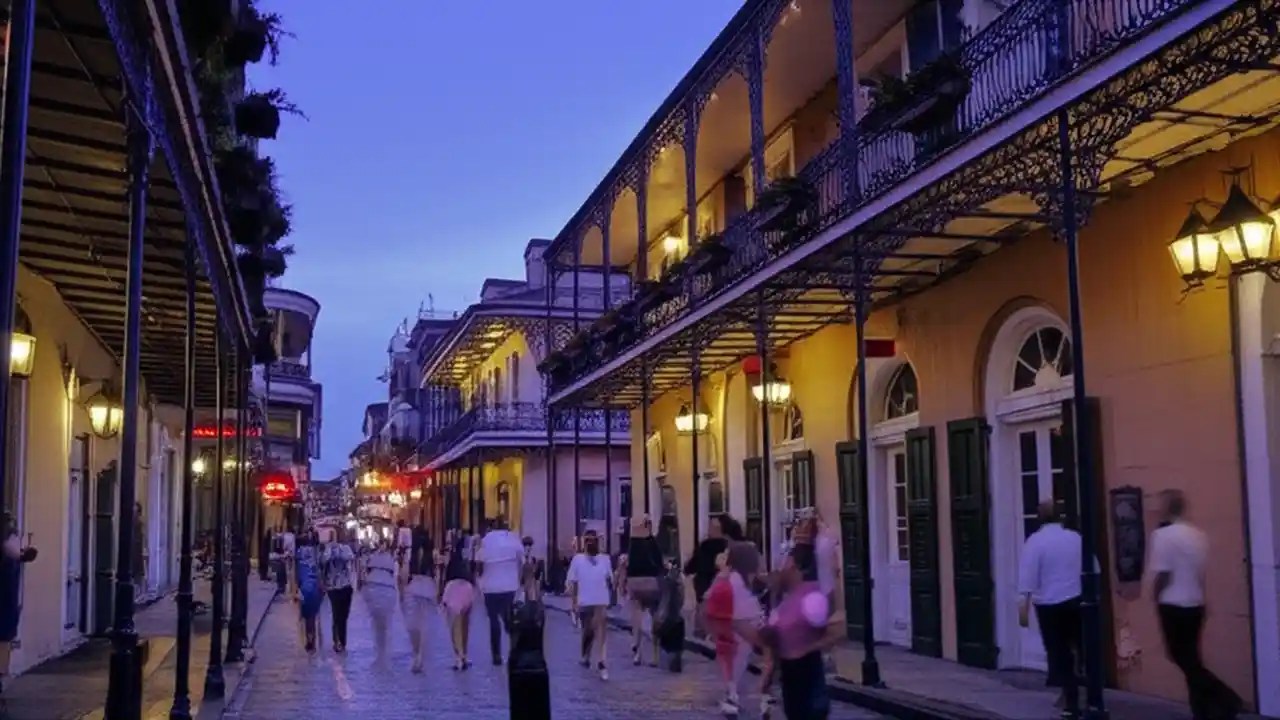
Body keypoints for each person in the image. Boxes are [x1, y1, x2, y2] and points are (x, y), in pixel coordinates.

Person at [1149, 489, 1242, 720]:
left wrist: (1155, 595)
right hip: (1195, 602)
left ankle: (1226, 697)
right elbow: (1200, 573)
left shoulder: (1163, 536)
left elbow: (1163, 574)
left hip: (1172, 603)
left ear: (1167, 508)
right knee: (1192, 657)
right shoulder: (1198, 535)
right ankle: (1202, 711)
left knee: (1181, 657)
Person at [758, 518, 841, 720]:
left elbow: (835, 629)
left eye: (786, 564)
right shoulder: (786, 604)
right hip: (792, 682)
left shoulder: (811, 598)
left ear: (794, 568)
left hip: (806, 681)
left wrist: (807, 648)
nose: (781, 568)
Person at [1017, 500, 1086, 717]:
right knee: (1078, 647)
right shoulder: (1076, 539)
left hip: (1049, 605)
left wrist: (1023, 611)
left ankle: (1070, 698)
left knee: (1059, 652)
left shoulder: (1036, 542)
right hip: (1075, 599)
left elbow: (1027, 579)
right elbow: (1092, 567)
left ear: (1040, 517)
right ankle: (1079, 692)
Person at [707, 541, 763, 717]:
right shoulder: (745, 579)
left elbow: (711, 598)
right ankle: (737, 695)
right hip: (743, 623)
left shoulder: (729, 579)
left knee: (730, 661)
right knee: (739, 660)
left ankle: (732, 694)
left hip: (731, 623)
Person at [567, 530, 614, 681]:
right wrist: (573, 602)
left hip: (600, 600)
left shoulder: (605, 559)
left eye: (593, 540)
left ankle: (602, 661)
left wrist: (612, 596)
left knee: (600, 628)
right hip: (584, 601)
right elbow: (573, 581)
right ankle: (585, 654)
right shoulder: (578, 560)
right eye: (588, 540)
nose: (591, 543)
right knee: (588, 631)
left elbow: (609, 579)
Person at [617, 516, 664, 667]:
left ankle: (637, 652)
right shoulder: (653, 543)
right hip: (652, 583)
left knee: (636, 617)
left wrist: (622, 584)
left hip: (635, 582)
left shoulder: (633, 543)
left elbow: (626, 564)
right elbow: (660, 564)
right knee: (655, 616)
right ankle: (655, 656)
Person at [477, 516, 522, 665]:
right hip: (509, 585)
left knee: (493, 620)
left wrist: (480, 577)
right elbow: (520, 560)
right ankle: (514, 651)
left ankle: (496, 655)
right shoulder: (513, 539)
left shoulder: (486, 540)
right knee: (510, 620)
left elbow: (479, 564)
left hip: (490, 586)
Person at [0, 516, 35, 708]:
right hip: (5, 605)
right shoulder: (8, 552)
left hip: (8, 604)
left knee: (5, 641)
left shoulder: (11, 555)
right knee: (4, 641)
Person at [685, 515, 732, 638]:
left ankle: (705, 634)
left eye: (711, 527)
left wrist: (687, 570)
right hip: (721, 584)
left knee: (704, 610)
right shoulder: (728, 546)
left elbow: (693, 564)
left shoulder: (705, 546)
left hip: (704, 583)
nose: (709, 529)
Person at [441, 531, 476, 670]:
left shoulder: (449, 555)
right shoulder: (468, 555)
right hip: (467, 587)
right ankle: (464, 655)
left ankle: (459, 657)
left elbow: (444, 573)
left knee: (454, 625)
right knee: (465, 624)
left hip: (453, 587)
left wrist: (440, 591)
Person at [399, 541, 435, 674]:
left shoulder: (410, 555)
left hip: (417, 588)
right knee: (421, 624)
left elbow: (403, 575)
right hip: (424, 588)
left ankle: (417, 655)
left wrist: (402, 592)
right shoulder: (432, 554)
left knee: (415, 625)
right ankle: (418, 654)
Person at [363, 539, 399, 663]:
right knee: (381, 622)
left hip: (379, 590)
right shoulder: (387, 558)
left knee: (380, 623)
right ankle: (381, 649)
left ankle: (381, 649)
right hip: (383, 590)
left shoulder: (377, 558)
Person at [322, 535, 356, 653]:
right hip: (333, 587)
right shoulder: (328, 549)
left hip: (346, 586)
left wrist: (338, 550)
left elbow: (350, 558)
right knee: (336, 615)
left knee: (344, 616)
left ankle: (343, 640)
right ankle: (337, 642)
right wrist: (332, 550)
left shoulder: (346, 548)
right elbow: (324, 560)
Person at [295, 534, 325, 653]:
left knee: (306, 616)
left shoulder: (298, 555)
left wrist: (296, 588)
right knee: (313, 616)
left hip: (304, 588)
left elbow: (296, 574)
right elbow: (321, 570)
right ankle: (312, 640)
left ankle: (309, 640)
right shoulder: (316, 554)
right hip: (315, 587)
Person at [519, 536, 544, 603]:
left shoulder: (533, 559)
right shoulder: (521, 558)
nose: (529, 547)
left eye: (530, 545)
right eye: (527, 545)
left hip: (531, 585)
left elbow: (536, 575)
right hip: (523, 585)